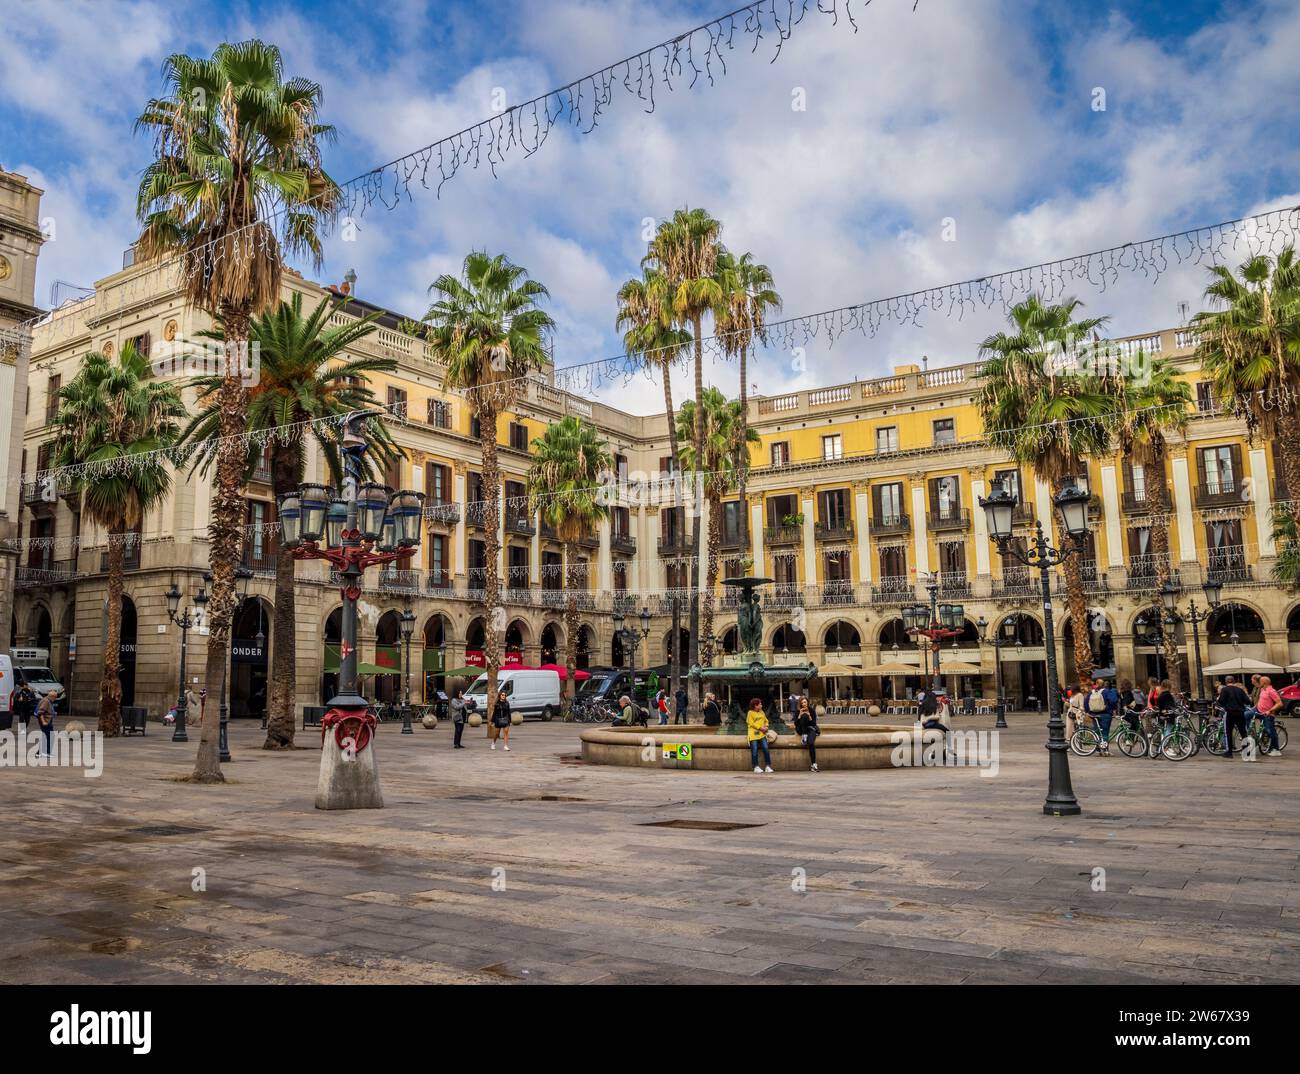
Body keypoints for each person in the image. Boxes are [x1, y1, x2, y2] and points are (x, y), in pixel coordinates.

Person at [1216, 675, 1252, 759]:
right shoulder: (1240, 690)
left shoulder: (1224, 690)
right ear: (1234, 681)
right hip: (1240, 713)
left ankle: (1229, 752)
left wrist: (1220, 701)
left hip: (1229, 713)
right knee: (1243, 732)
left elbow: (1221, 701)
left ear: (1226, 682)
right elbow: (1247, 701)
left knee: (1228, 732)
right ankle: (1246, 751)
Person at [1255, 676, 1284, 757]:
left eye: (1260, 681)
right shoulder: (1262, 689)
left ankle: (1276, 749)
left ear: (1264, 682)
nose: (1259, 683)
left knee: (1270, 731)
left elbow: (1280, 703)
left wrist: (1270, 710)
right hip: (1259, 712)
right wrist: (1254, 707)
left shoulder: (1271, 691)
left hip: (1268, 714)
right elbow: (1261, 701)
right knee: (1246, 715)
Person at [746, 698, 774, 774]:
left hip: (762, 734)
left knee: (766, 748)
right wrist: (760, 727)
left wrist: (766, 726)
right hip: (753, 734)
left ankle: (768, 766)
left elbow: (766, 720)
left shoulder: (762, 712)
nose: (761, 705)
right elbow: (750, 723)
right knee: (754, 750)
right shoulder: (750, 713)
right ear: (755, 705)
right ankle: (755, 766)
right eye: (760, 704)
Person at [794, 696, 820, 772]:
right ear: (800, 704)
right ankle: (804, 735)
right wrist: (799, 716)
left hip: (810, 728)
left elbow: (814, 724)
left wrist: (809, 715)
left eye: (805, 702)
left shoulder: (811, 710)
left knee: (811, 743)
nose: (804, 704)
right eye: (802, 703)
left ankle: (814, 764)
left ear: (807, 702)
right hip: (801, 730)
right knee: (804, 716)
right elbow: (796, 724)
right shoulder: (798, 711)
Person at [36, 689, 57, 758]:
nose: (55, 699)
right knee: (50, 736)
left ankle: (39, 753)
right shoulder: (46, 701)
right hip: (45, 722)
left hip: (47, 721)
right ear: (52, 696)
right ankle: (46, 752)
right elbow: (40, 712)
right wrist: (43, 722)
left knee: (46, 737)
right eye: (55, 697)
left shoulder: (48, 701)